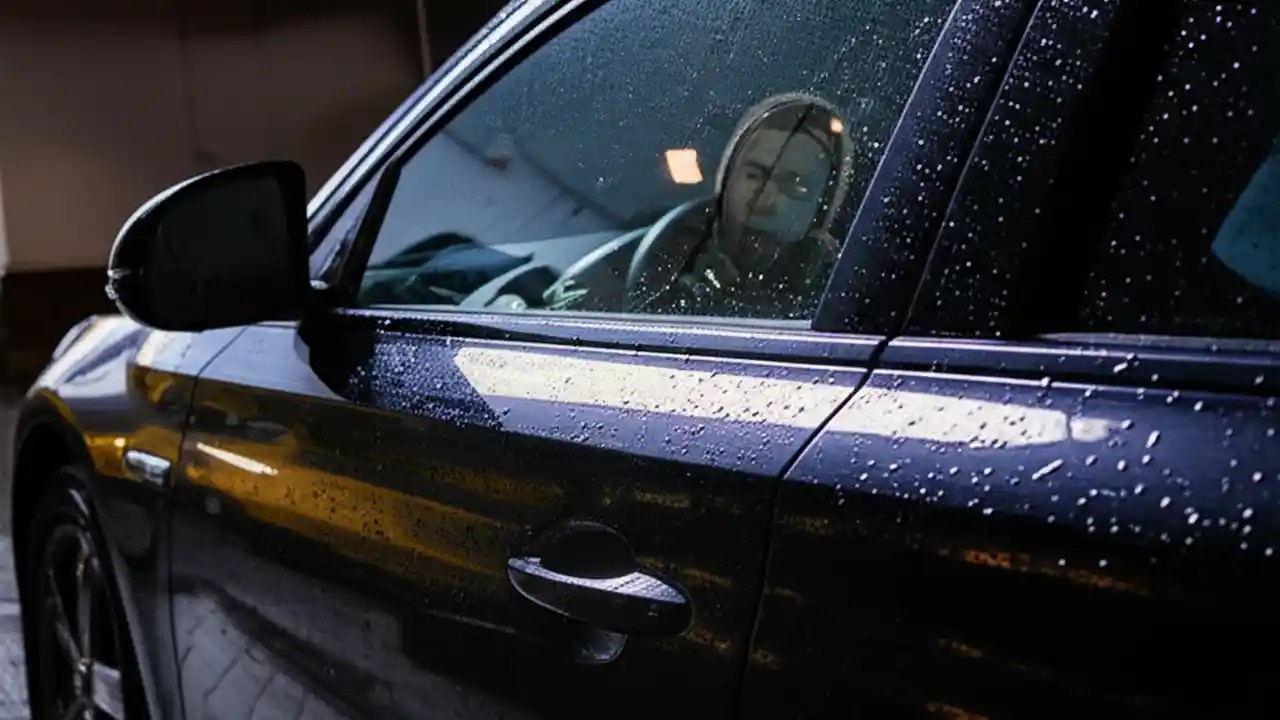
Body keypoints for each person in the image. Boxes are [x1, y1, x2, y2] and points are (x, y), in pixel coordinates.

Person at [634, 93, 853, 318]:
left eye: (796, 186)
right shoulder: (670, 261)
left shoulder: (838, 294)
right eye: (755, 175)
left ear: (821, 210)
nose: (766, 200)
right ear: (727, 179)